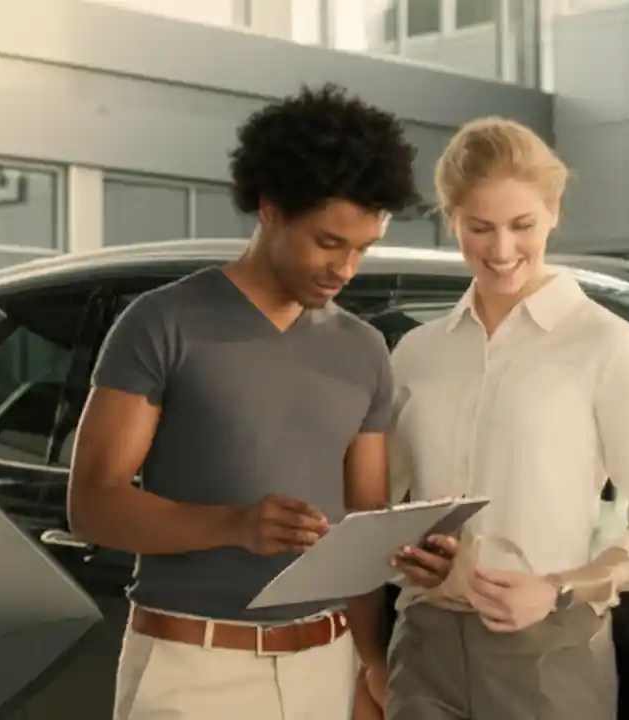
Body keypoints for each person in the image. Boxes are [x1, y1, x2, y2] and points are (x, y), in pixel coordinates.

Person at [66, 84, 457, 720]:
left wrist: (382, 631)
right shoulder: (162, 323)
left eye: (362, 248)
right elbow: (93, 503)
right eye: (329, 242)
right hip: (193, 669)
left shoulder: (364, 351)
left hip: (326, 669)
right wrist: (233, 525)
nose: (346, 269)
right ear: (270, 209)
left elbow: (360, 527)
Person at [377, 116, 629, 719]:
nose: (501, 250)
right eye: (479, 228)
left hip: (550, 650)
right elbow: (379, 513)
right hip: (422, 648)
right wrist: (408, 558)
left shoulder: (607, 345)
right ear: (452, 221)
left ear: (553, 211)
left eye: (522, 226)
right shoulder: (417, 353)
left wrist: (558, 589)